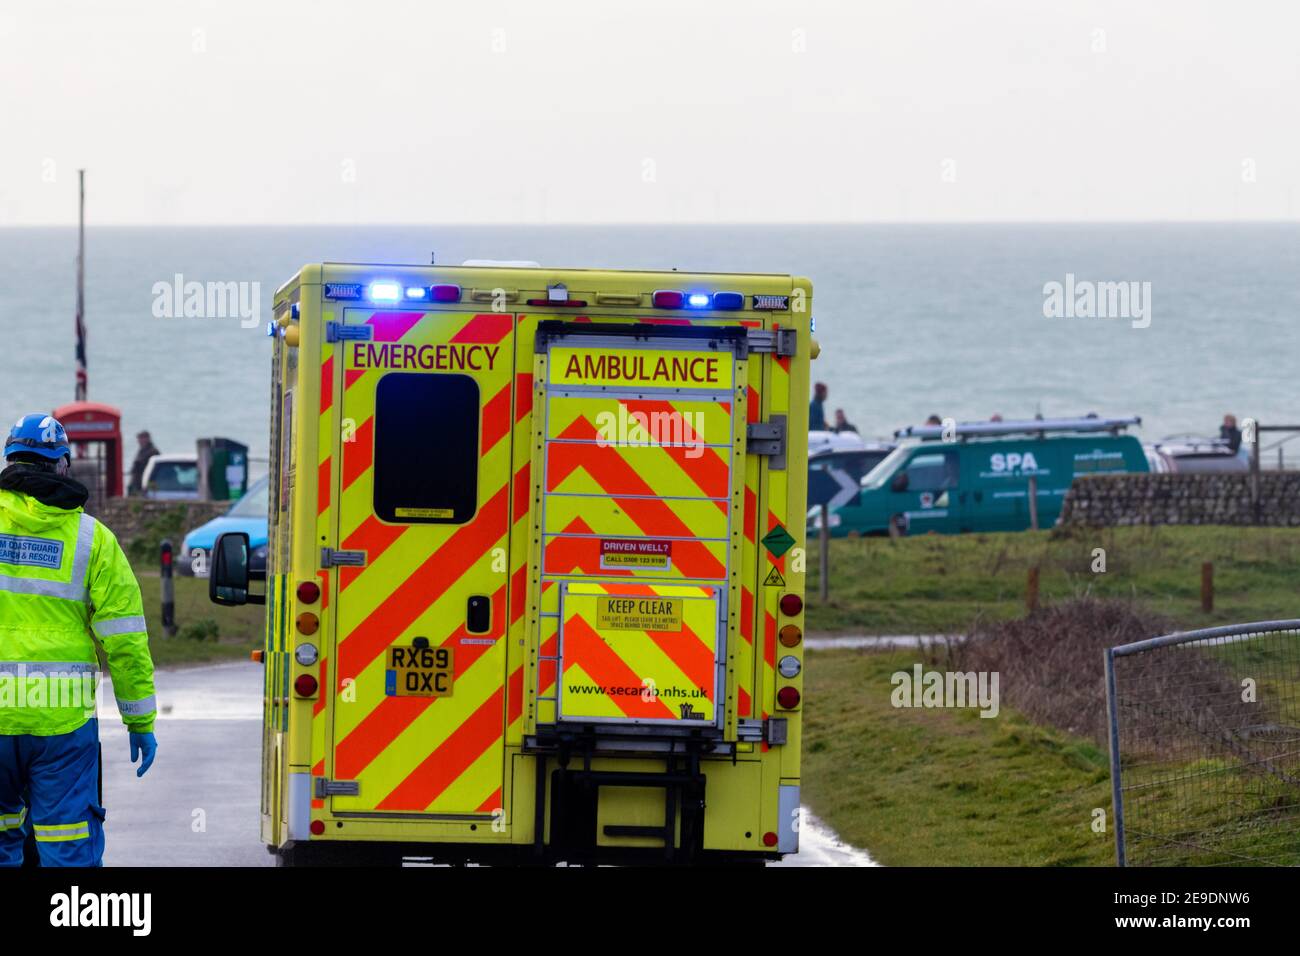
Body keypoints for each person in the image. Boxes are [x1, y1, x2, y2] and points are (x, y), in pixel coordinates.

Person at [0, 413, 157, 867]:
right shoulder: (95, 541)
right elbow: (125, 643)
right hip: (60, 725)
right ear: (63, 466)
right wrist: (140, 722)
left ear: (10, 461)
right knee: (66, 842)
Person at [127, 430, 159, 496]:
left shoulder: (153, 451)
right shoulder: (141, 450)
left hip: (144, 482)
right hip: (136, 482)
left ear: (147, 439)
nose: (139, 441)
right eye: (139, 438)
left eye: (141, 438)